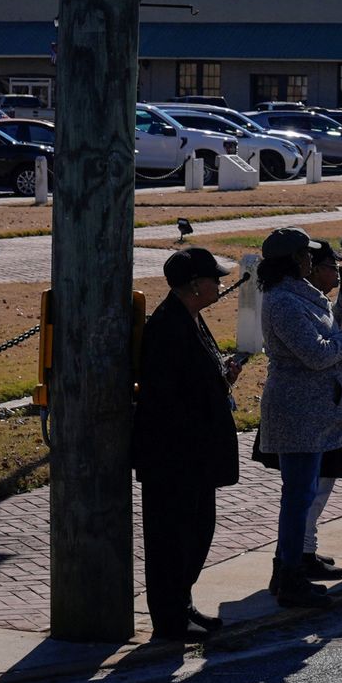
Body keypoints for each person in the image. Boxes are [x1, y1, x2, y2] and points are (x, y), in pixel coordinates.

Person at [134, 246, 242, 640]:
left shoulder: (191, 319)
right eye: (215, 278)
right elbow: (166, 397)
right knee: (172, 540)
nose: (220, 284)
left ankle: (182, 605)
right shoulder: (167, 327)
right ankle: (170, 619)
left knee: (196, 534)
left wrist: (222, 378)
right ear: (195, 284)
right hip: (175, 457)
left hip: (194, 455)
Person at [257, 228, 342, 607]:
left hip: (315, 411)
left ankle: (290, 567)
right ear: (291, 260)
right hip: (297, 412)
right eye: (306, 255)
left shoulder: (300, 294)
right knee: (298, 496)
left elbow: (327, 328)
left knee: (302, 495)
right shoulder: (283, 301)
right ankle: (289, 577)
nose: (310, 261)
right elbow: (317, 353)